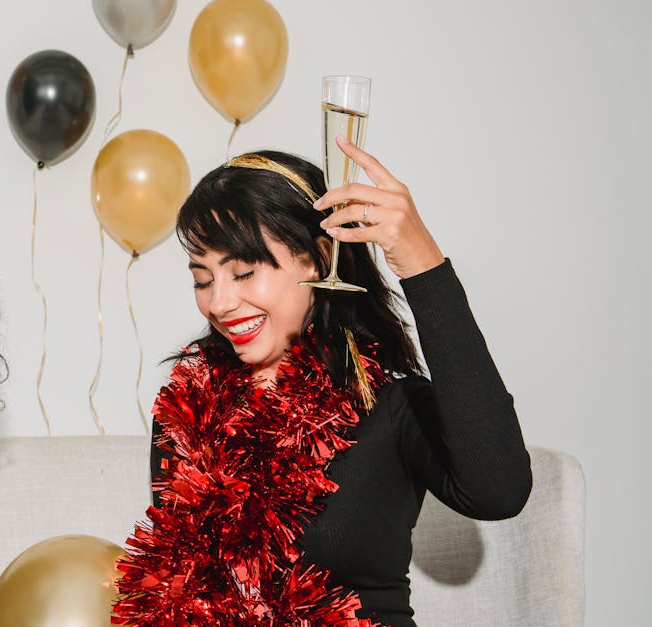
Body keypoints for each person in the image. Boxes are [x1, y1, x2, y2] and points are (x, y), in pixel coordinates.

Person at [113, 138, 532, 627]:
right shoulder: (189, 409)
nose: (219, 303)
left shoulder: (390, 403)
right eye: (203, 280)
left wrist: (423, 267)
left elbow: (499, 491)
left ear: (316, 258)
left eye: (244, 272)